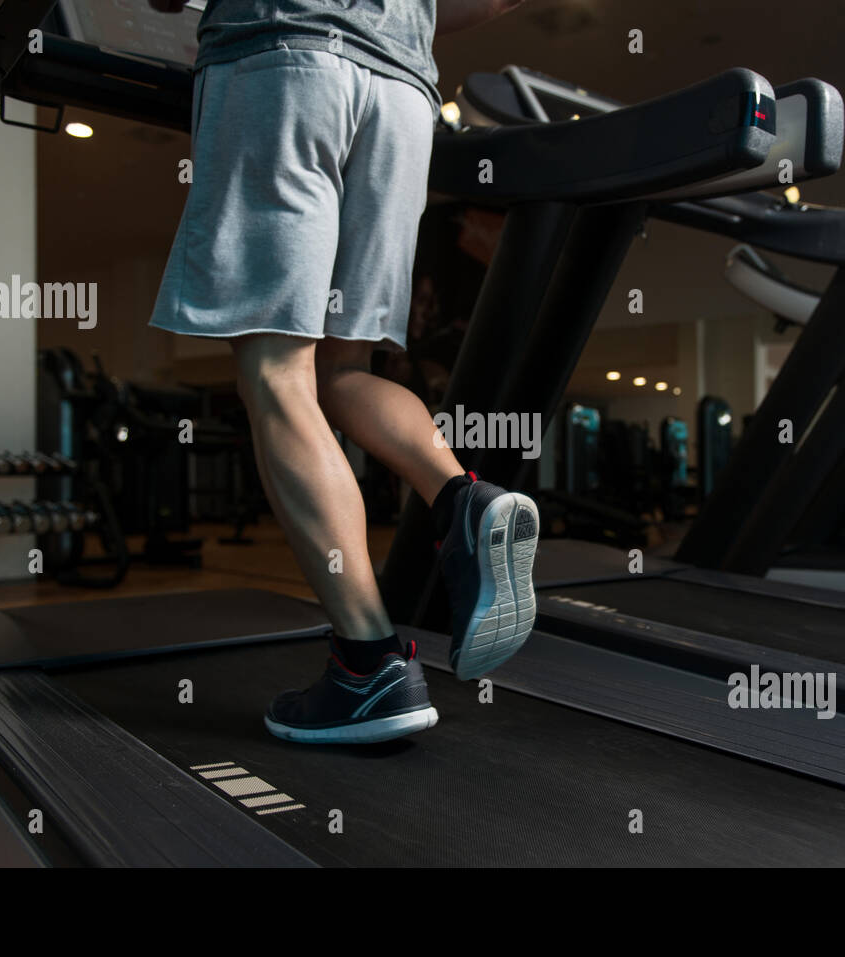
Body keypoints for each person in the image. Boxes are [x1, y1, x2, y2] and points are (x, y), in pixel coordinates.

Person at [147, 0, 537, 744]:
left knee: (275, 374)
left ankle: (369, 665)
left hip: (282, 63)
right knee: (343, 369)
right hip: (401, 95)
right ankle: (461, 498)